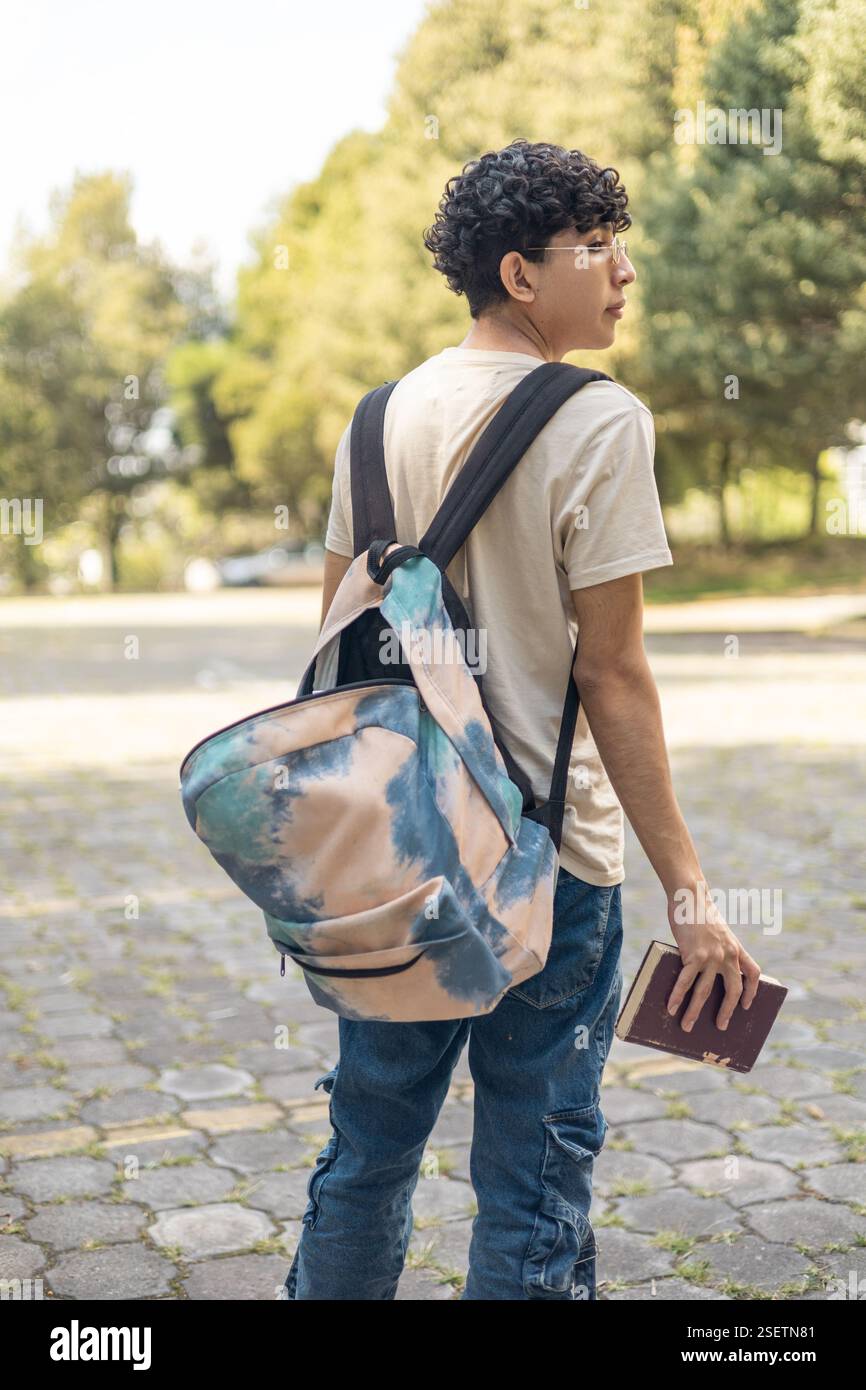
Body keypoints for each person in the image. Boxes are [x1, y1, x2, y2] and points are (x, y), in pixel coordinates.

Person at [282, 138, 761, 1301]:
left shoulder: (375, 418)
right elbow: (616, 675)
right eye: (593, 247)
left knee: (365, 1154)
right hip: (547, 866)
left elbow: (335, 646)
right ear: (516, 271)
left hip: (391, 862)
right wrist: (690, 898)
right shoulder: (599, 422)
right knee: (533, 1180)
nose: (621, 270)